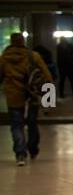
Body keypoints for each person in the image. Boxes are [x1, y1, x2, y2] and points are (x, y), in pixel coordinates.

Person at [2, 32, 54, 165]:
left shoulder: (4, 58)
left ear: (11, 42)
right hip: (32, 93)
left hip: (13, 94)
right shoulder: (33, 56)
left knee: (16, 124)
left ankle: (20, 154)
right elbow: (47, 76)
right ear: (23, 42)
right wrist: (48, 102)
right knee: (32, 122)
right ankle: (33, 148)